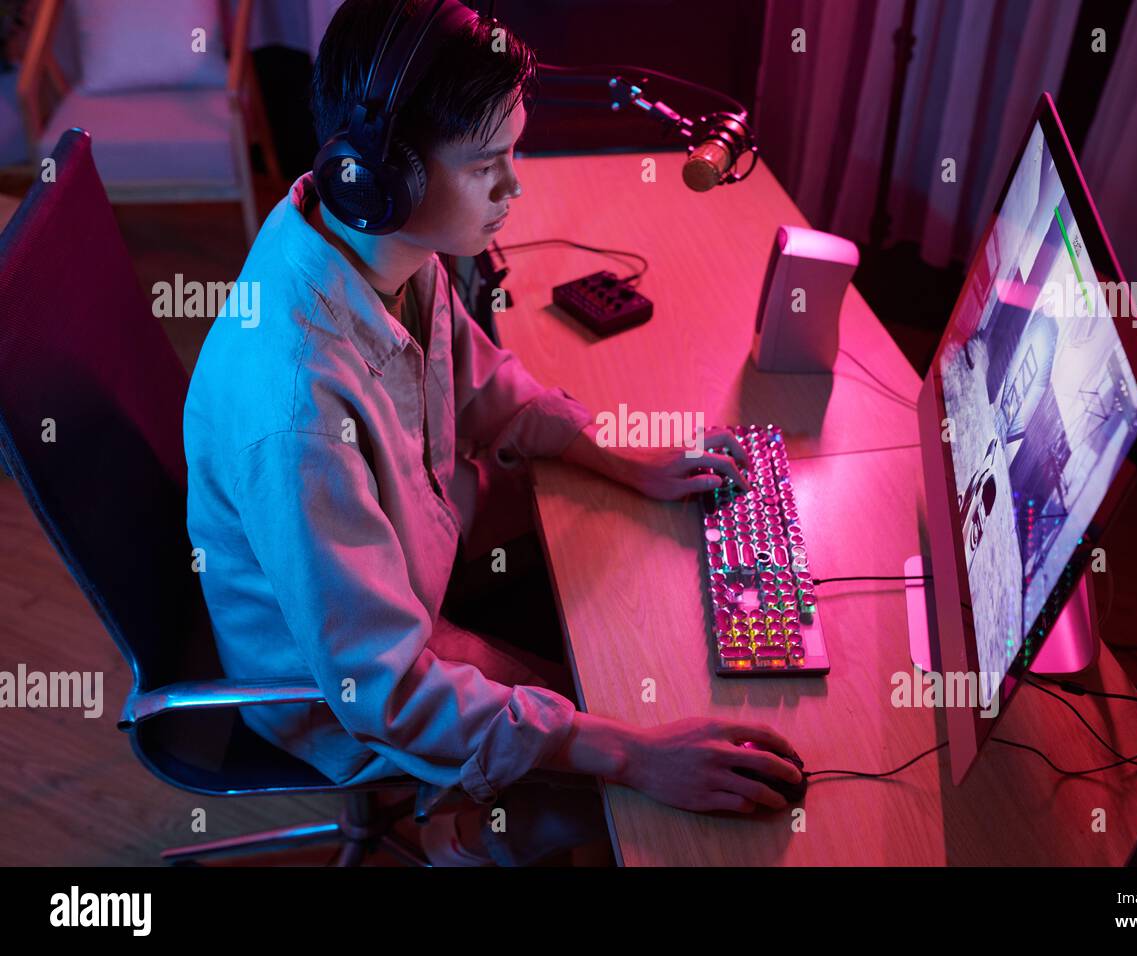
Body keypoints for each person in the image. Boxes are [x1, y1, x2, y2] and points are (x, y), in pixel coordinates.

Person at [183, 0, 803, 866]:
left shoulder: (378, 248)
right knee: (636, 755)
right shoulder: (296, 413)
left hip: (405, 586)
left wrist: (628, 463)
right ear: (377, 177)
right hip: (348, 685)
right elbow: (385, 688)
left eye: (511, 153)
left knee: (632, 632)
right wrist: (628, 753)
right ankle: (463, 836)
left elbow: (485, 389)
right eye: (489, 166)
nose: (517, 189)